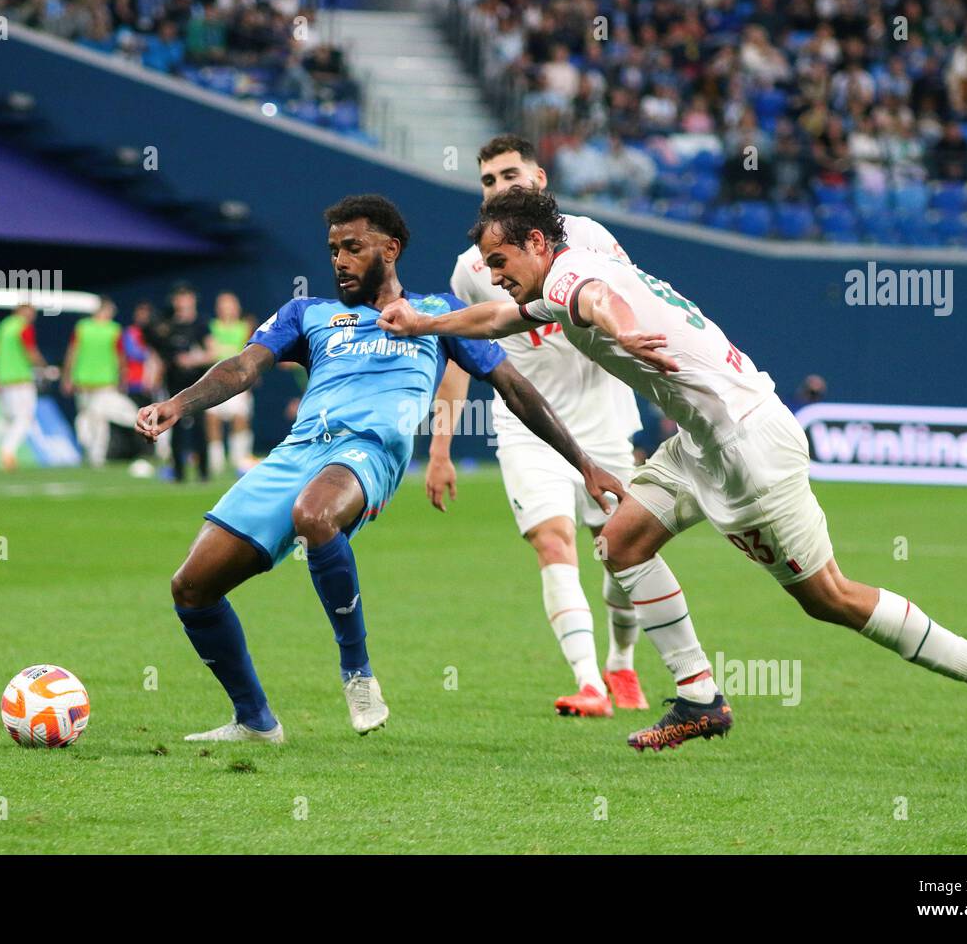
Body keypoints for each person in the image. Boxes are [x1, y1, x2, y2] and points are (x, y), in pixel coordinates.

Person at [379, 187, 967, 757]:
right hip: (704, 441)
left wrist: (624, 332)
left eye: (500, 261)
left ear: (536, 242)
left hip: (749, 451)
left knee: (827, 597)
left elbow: (599, 301)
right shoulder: (570, 268)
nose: (494, 276)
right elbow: (501, 317)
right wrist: (425, 323)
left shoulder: (568, 277)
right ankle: (699, 697)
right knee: (621, 542)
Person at [134, 194, 624, 744]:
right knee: (192, 588)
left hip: (369, 452)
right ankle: (254, 721)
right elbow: (244, 367)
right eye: (333, 249)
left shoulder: (434, 317)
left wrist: (582, 463)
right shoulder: (308, 314)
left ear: (390, 249)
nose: (339, 260)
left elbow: (516, 390)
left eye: (353, 247)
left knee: (315, 516)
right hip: (297, 453)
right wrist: (178, 404)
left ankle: (357, 673)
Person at [434, 135, 648, 718]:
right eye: (488, 181)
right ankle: (589, 684)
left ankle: (622, 662)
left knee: (622, 552)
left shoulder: (590, 238)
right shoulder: (471, 268)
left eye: (510, 175)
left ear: (540, 179)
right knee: (553, 543)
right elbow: (463, 356)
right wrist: (440, 448)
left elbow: (636, 305)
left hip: (604, 420)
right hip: (528, 424)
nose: (499, 187)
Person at [145, 283, 212, 482]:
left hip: (197, 383)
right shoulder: (168, 326)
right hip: (174, 383)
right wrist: (153, 377)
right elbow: (158, 355)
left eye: (186, 297)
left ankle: (203, 472)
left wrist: (193, 359)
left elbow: (212, 352)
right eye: (179, 297)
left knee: (199, 427)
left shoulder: (200, 324)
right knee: (175, 426)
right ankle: (179, 473)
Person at [62, 299, 138, 468]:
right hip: (95, 383)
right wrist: (67, 377)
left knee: (96, 418)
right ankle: (93, 452)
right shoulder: (109, 329)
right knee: (90, 419)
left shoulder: (87, 327)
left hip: (94, 383)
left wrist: (67, 376)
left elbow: (72, 352)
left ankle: (96, 455)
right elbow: (119, 356)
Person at [0, 303, 47, 471]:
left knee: (9, 419)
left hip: (4, 380)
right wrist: (44, 367)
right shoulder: (23, 327)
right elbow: (31, 351)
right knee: (25, 418)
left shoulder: (4, 326)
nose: (31, 317)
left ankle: (6, 458)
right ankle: (7, 451)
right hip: (20, 380)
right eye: (29, 313)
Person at [204, 291, 257, 475]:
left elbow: (248, 353)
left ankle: (240, 460)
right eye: (223, 305)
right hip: (215, 381)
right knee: (212, 419)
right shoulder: (211, 326)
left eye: (230, 305)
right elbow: (211, 351)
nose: (227, 309)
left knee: (240, 418)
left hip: (238, 382)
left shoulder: (245, 327)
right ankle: (215, 462)